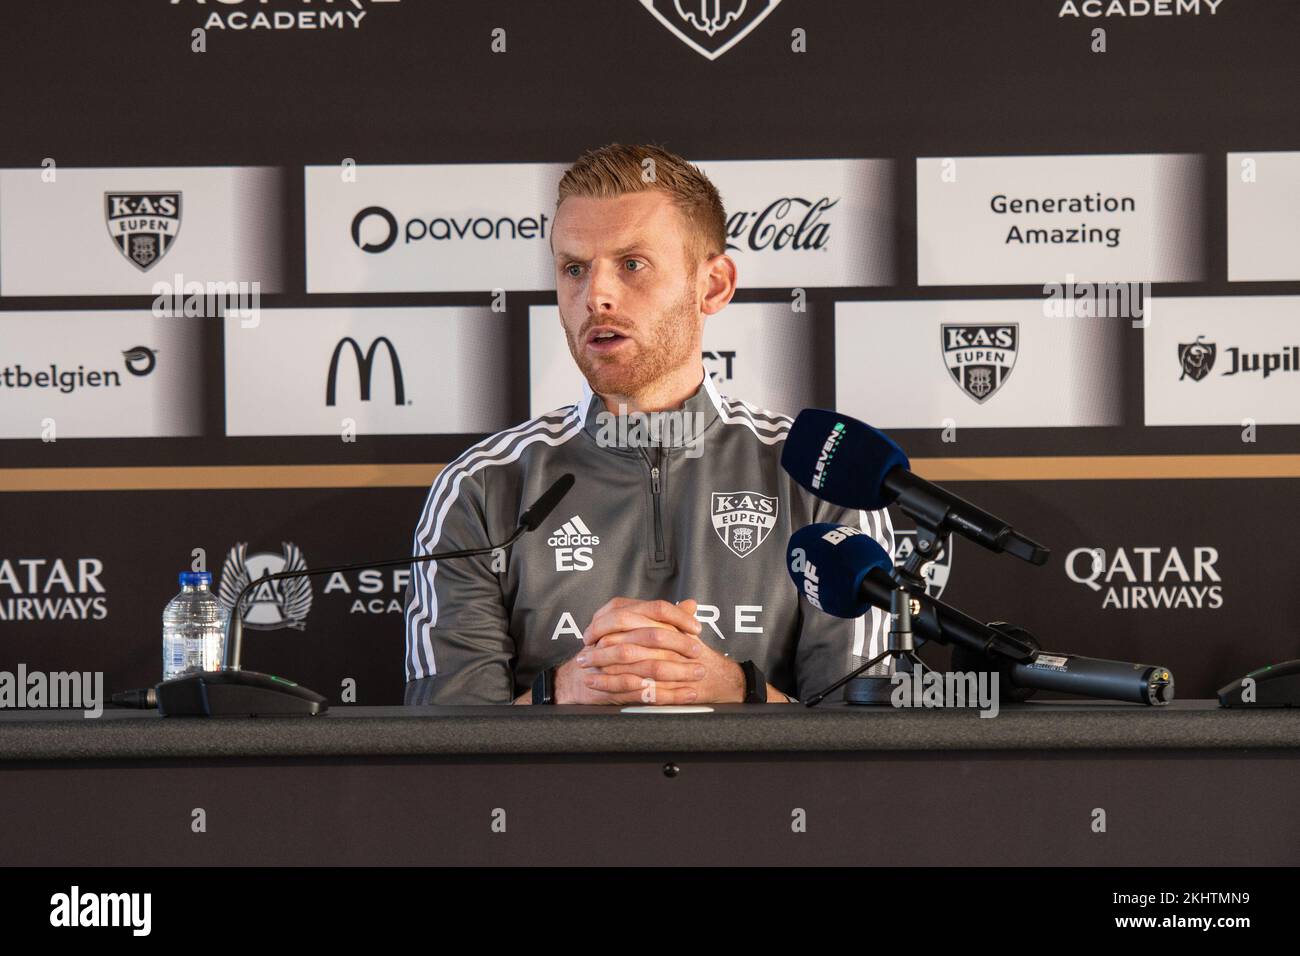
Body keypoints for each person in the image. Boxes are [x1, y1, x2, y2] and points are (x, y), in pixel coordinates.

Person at [404, 143, 893, 705]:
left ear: (712, 286)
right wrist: (560, 694)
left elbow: (861, 744)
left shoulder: (822, 476)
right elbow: (443, 749)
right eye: (574, 269)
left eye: (632, 264)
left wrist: (739, 692)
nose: (597, 296)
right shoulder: (480, 487)